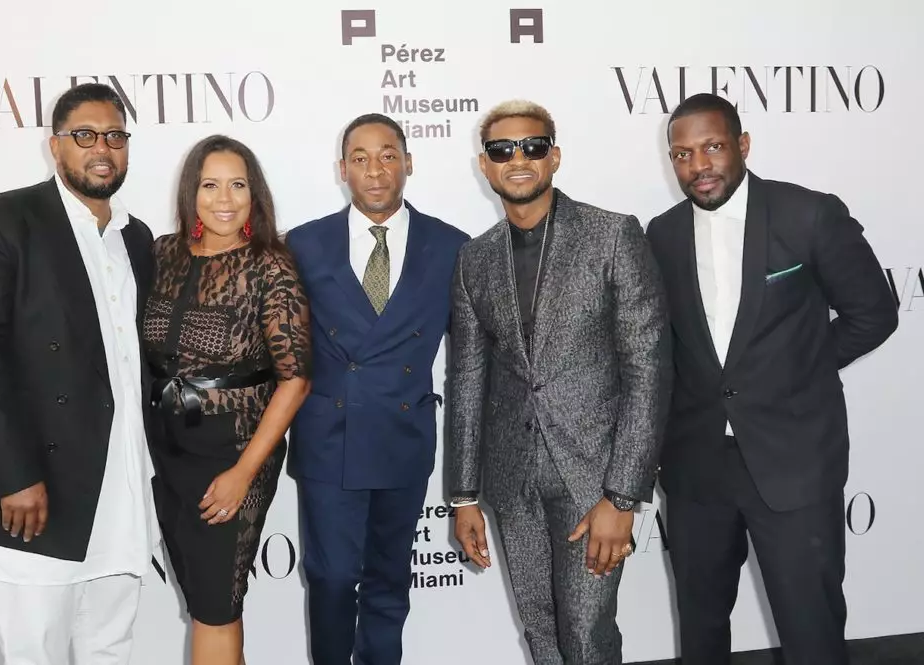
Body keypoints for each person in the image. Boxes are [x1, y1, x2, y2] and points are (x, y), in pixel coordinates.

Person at [645, 93, 899, 665]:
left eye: (712, 147)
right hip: (697, 468)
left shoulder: (807, 214)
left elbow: (874, 314)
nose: (699, 165)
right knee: (702, 632)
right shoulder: (660, 235)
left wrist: (799, 370)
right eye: (682, 154)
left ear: (742, 144)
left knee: (811, 632)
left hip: (793, 460)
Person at [0, 83, 160, 664]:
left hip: (120, 490)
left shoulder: (135, 239)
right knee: (32, 652)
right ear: (55, 146)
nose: (102, 149)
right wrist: (13, 474)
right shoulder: (0, 222)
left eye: (115, 135)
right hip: (34, 496)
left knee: (110, 648)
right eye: (84, 135)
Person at [448, 99, 671, 665]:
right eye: (502, 150)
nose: (517, 159)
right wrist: (465, 494)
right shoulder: (474, 259)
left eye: (532, 146)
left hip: (593, 479)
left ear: (555, 157)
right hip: (510, 474)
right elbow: (469, 378)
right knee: (541, 633)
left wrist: (622, 495)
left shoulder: (612, 235)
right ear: (485, 165)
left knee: (586, 633)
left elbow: (648, 368)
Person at [285, 113, 470, 664]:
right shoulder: (304, 243)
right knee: (334, 579)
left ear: (408, 163)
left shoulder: (452, 246)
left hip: (402, 435)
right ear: (342, 169)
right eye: (360, 158)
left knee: (389, 581)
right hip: (328, 439)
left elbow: (475, 357)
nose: (374, 170)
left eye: (387, 155)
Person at [142, 134, 311, 665]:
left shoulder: (269, 267)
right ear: (191, 193)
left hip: (234, 452)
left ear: (254, 194)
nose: (223, 198)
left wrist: (243, 472)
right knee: (201, 604)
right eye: (210, 184)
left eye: (237, 184)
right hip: (168, 451)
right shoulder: (164, 253)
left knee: (218, 607)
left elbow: (296, 379)